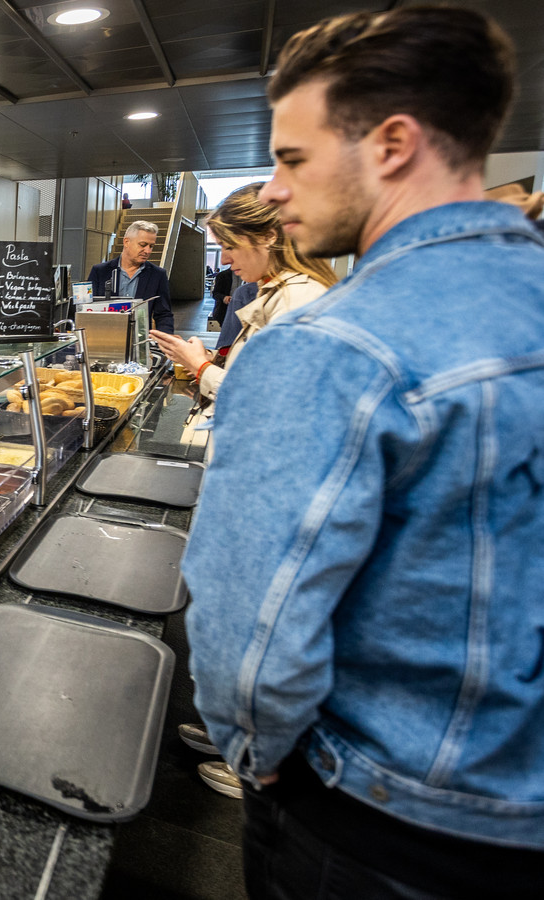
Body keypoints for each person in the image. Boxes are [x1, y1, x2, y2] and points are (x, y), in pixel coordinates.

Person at [181, 7, 544, 898]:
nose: (269, 190)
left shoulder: (329, 346)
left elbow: (252, 635)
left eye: (292, 158)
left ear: (392, 143)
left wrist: (257, 755)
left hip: (384, 819)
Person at [151, 182, 336, 411]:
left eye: (229, 246)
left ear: (268, 237)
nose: (224, 261)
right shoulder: (275, 292)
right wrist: (207, 358)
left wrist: (200, 366)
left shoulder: (300, 301)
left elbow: (268, 401)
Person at [87, 220, 174, 333]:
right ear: (126, 242)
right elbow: (86, 309)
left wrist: (165, 341)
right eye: (142, 245)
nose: (147, 251)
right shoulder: (100, 271)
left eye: (151, 246)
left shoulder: (158, 275)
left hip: (139, 340)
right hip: (104, 337)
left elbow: (164, 314)